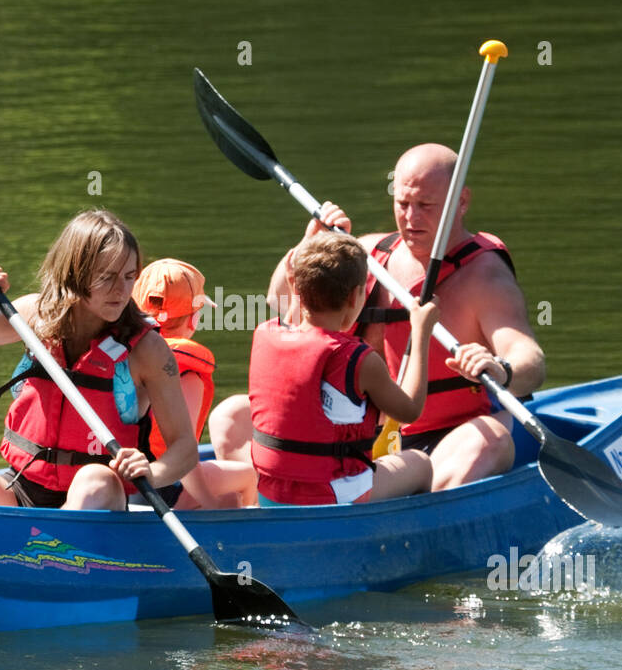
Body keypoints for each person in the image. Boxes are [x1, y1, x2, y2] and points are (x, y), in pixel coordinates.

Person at [206, 143, 544, 491]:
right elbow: (281, 301)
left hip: (449, 437)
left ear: (462, 201)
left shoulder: (484, 276)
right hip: (356, 433)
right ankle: (264, 507)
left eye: (426, 206)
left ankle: (407, 521)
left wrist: (501, 368)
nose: (411, 218)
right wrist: (310, 244)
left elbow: (530, 360)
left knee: (490, 439)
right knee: (232, 417)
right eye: (402, 203)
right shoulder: (368, 254)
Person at [0, 209, 198, 510]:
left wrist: (152, 472)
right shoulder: (36, 316)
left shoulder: (147, 350)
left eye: (129, 277)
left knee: (95, 480)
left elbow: (184, 447)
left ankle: (50, 552)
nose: (121, 291)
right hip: (21, 490)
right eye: (106, 277)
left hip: (99, 499)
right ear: (74, 272)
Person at [249, 231, 438, 506]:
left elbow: (295, 316)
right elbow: (410, 411)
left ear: (296, 288)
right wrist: (421, 332)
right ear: (355, 296)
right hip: (331, 498)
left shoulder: (266, 333)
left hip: (270, 495)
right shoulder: (359, 359)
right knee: (420, 463)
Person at [132, 258, 256, 508]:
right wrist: (210, 502)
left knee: (228, 495)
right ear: (192, 319)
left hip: (126, 478)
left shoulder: (125, 352)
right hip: (162, 488)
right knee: (248, 476)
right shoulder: (185, 373)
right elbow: (181, 449)